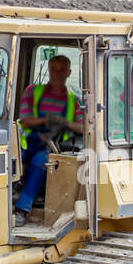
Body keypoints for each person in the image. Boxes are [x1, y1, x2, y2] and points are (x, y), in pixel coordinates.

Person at [15, 54, 84, 228]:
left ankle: (22, 209)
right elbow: (25, 119)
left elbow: (83, 127)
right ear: (49, 70)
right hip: (23, 142)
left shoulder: (72, 102)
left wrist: (64, 123)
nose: (57, 73)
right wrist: (47, 120)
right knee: (5, 159)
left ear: (68, 73)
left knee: (40, 162)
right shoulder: (33, 91)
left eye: (62, 70)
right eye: (54, 69)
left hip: (47, 146)